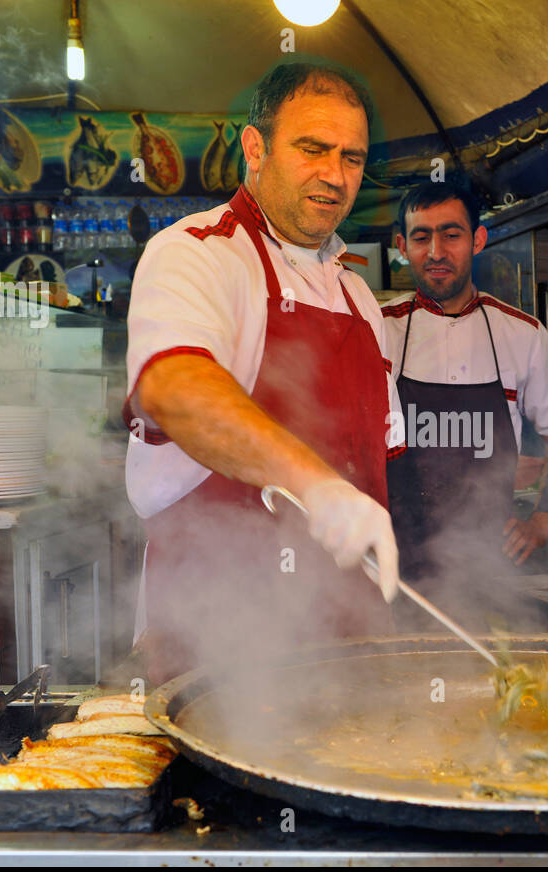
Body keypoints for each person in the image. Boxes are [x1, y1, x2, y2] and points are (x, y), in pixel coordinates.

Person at [123, 63, 403, 684]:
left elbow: (377, 467)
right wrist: (319, 486)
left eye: (352, 158)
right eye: (313, 149)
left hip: (348, 648)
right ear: (256, 148)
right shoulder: (196, 252)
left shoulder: (360, 297)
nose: (335, 174)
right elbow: (175, 390)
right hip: (220, 651)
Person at [381, 181, 548, 595]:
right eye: (421, 237)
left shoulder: (521, 335)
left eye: (451, 234)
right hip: (393, 564)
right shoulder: (377, 329)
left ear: (477, 240)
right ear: (402, 246)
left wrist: (545, 519)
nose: (436, 251)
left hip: (489, 566)